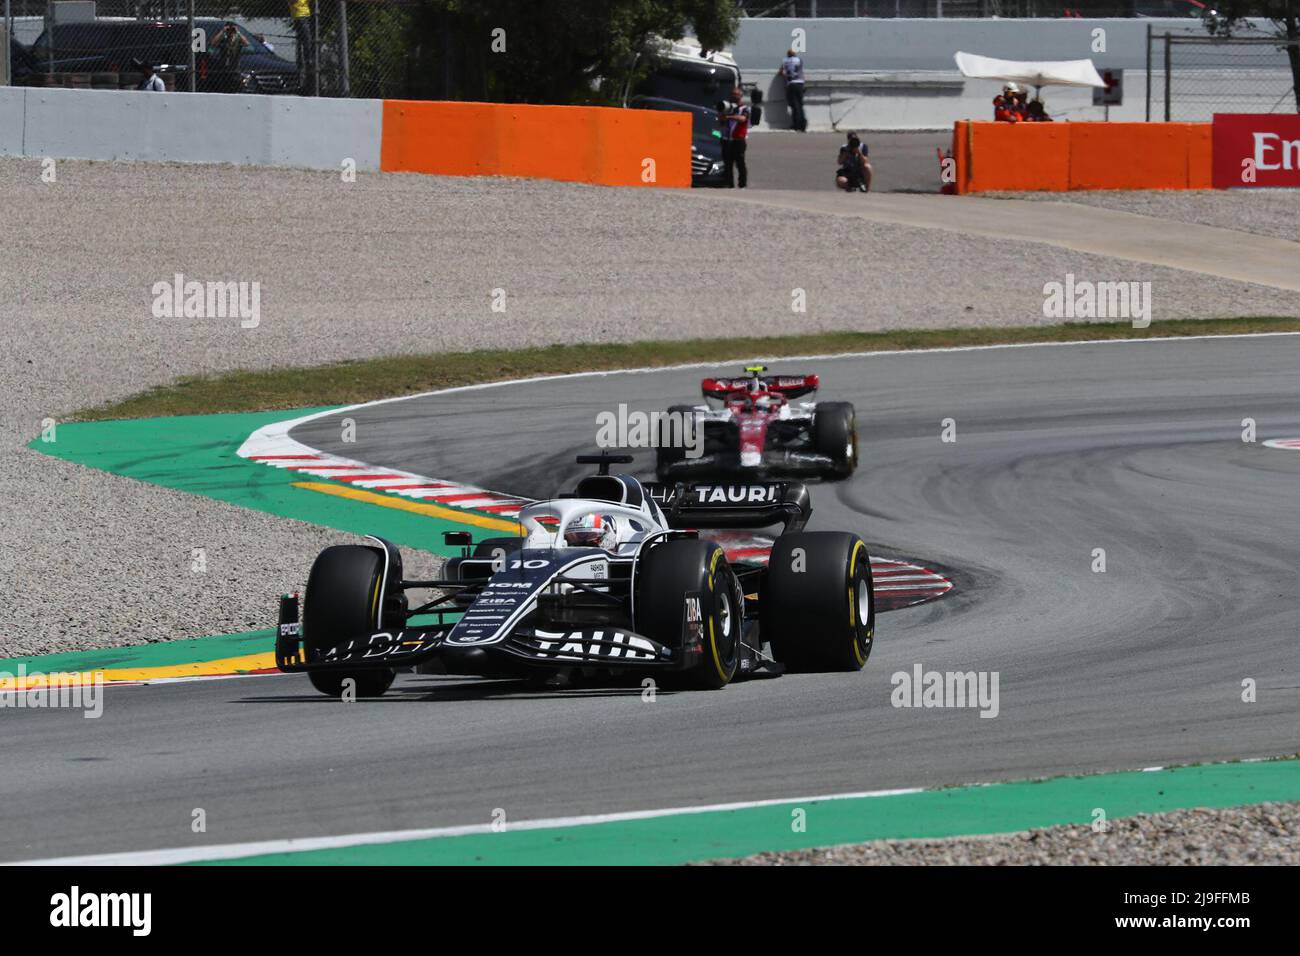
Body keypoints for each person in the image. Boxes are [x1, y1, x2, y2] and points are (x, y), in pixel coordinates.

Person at [720, 86, 750, 189]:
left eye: (736, 95)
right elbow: (720, 122)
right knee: (727, 164)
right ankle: (728, 184)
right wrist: (722, 117)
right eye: (733, 94)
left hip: (738, 140)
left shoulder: (744, 108)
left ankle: (742, 184)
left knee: (740, 163)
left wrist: (729, 117)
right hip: (727, 139)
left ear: (741, 96)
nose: (734, 96)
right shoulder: (727, 108)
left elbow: (742, 119)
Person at [210, 22, 249, 93]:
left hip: (235, 67)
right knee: (224, 87)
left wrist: (237, 32)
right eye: (229, 29)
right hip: (224, 67)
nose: (230, 31)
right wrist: (223, 31)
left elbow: (246, 43)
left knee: (236, 86)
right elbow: (213, 43)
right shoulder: (223, 39)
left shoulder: (238, 39)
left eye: (232, 29)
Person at [288, 0, 314, 93]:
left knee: (307, 40)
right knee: (306, 40)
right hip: (300, 16)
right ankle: (308, 60)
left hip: (306, 15)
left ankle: (308, 59)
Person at [777, 47, 806, 132]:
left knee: (794, 105)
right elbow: (801, 71)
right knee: (800, 104)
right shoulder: (799, 60)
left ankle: (796, 124)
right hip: (800, 83)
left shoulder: (785, 61)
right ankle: (802, 124)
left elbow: (781, 72)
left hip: (791, 84)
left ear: (788, 54)